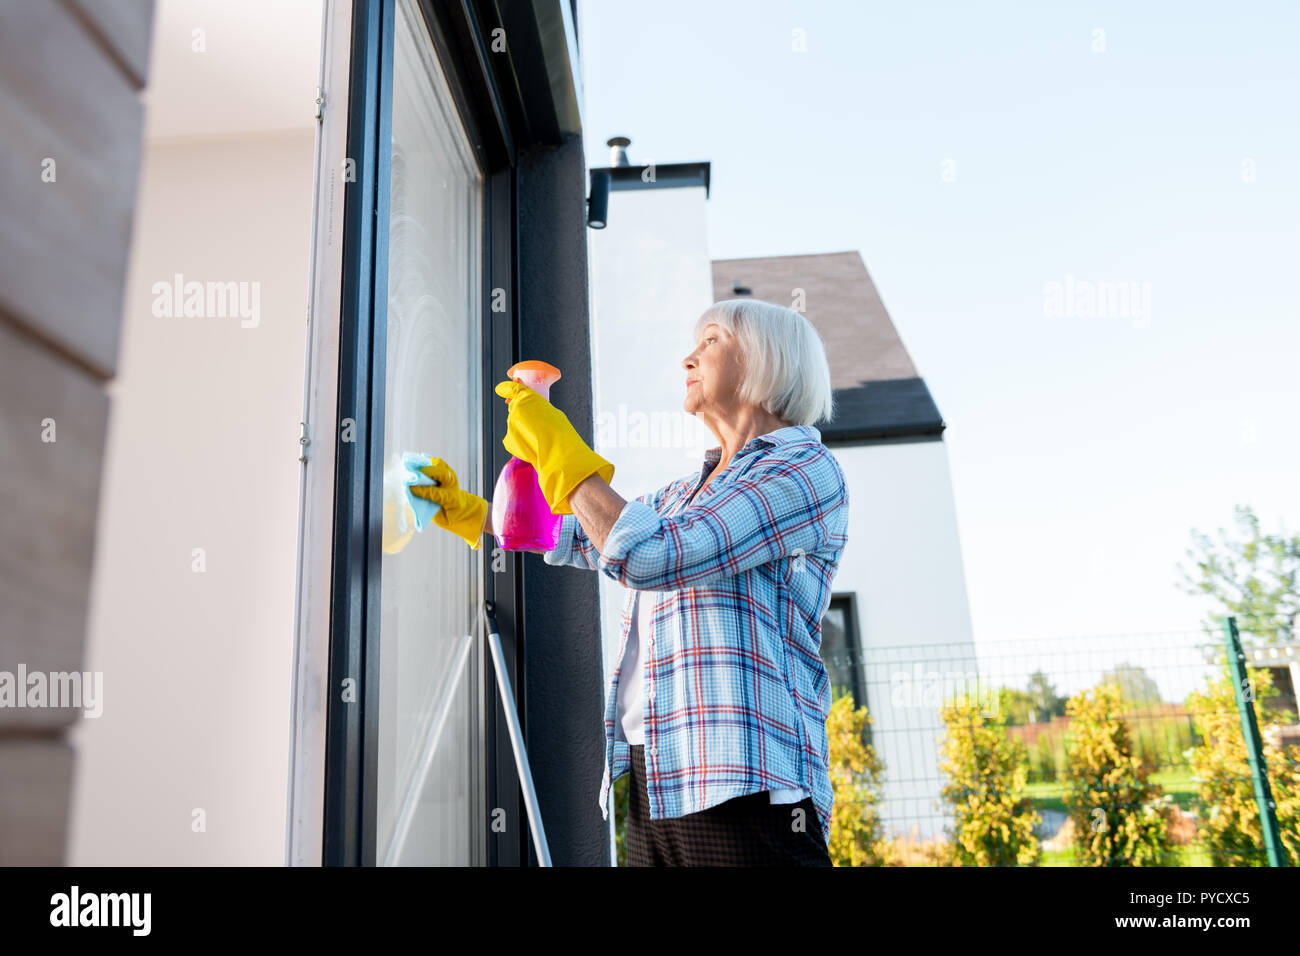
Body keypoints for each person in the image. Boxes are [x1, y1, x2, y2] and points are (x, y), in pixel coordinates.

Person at [416, 298, 849, 866]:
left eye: (711, 341)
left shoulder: (801, 470)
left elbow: (655, 555)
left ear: (769, 361)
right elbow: (587, 534)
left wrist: (562, 451)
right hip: (659, 772)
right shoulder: (684, 493)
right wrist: (474, 514)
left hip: (745, 779)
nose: (689, 358)